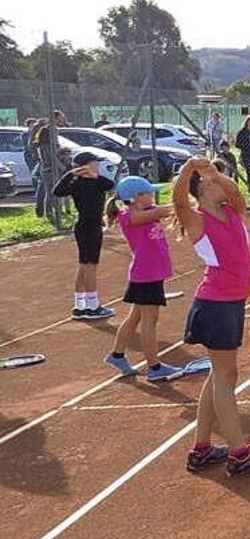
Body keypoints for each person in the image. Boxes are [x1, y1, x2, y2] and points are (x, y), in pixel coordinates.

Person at [173, 158, 250, 476]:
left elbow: (236, 194)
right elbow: (179, 202)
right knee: (226, 377)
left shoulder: (232, 212)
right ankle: (239, 452)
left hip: (227, 304)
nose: (225, 182)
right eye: (216, 180)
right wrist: (187, 171)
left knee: (218, 375)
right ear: (204, 188)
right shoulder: (198, 220)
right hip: (215, 304)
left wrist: (215, 174)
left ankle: (201, 447)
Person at [103, 176, 183, 381]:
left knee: (135, 317)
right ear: (136, 198)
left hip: (148, 274)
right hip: (146, 274)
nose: (153, 195)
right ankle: (154, 367)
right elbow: (162, 211)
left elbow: (160, 210)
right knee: (149, 320)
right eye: (149, 193)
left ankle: (117, 355)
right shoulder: (129, 216)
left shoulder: (146, 211)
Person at [53, 151, 116, 320]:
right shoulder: (77, 183)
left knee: (84, 265)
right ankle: (93, 306)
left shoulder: (97, 181)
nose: (98, 165)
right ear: (86, 165)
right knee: (90, 266)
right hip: (88, 227)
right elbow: (57, 191)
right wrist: (71, 174)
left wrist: (93, 175)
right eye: (95, 163)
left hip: (88, 226)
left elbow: (110, 184)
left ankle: (80, 306)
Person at [235, 115, 250, 181]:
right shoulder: (242, 132)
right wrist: (248, 144)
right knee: (249, 171)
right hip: (246, 154)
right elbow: (237, 144)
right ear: (247, 122)